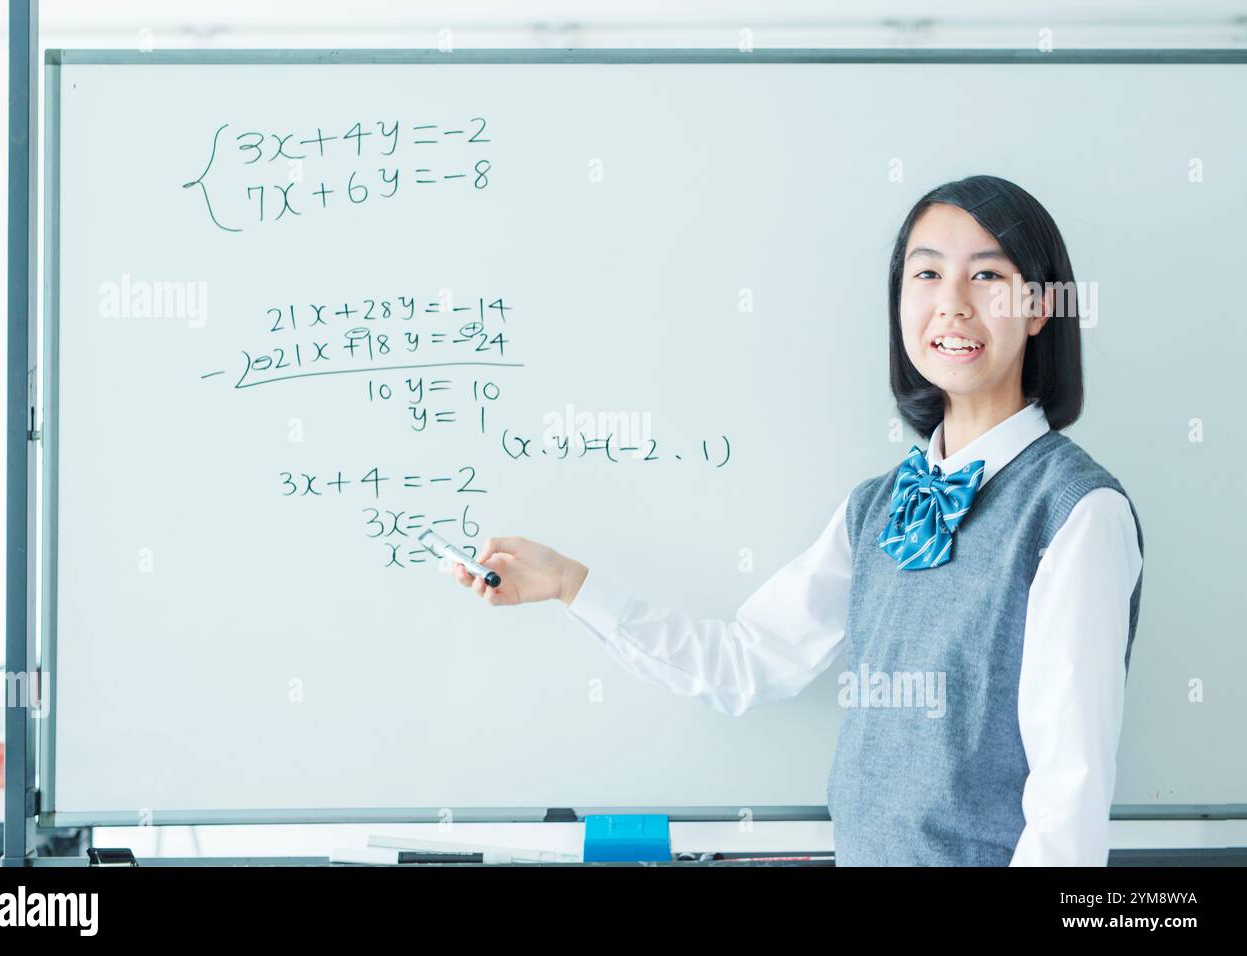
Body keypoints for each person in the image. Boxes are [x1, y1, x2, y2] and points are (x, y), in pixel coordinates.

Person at [443, 174, 1144, 867]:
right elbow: (746, 662)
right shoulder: (875, 508)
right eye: (926, 274)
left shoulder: (1078, 511)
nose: (952, 305)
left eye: (988, 276)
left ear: (1039, 308)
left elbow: (1067, 802)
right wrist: (572, 584)